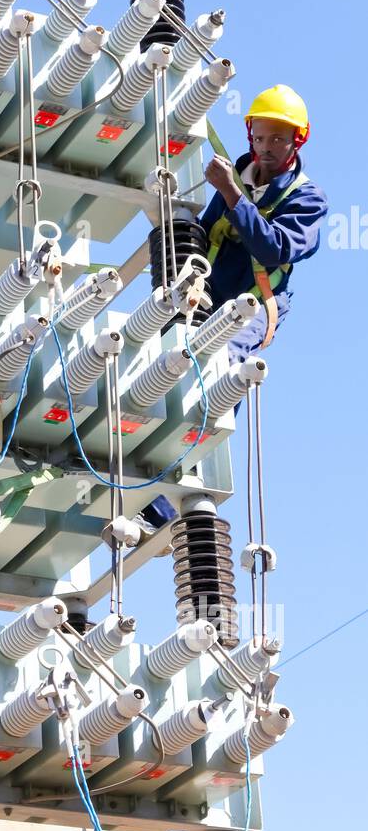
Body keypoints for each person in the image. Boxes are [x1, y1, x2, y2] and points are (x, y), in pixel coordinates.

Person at [140, 85, 327, 536]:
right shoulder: (237, 173)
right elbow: (207, 233)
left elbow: (278, 245)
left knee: (221, 374)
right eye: (260, 137)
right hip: (208, 294)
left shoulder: (307, 198)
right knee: (162, 369)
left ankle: (178, 488)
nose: (265, 148)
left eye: (278, 139)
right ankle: (142, 467)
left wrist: (233, 195)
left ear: (296, 141)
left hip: (254, 305)